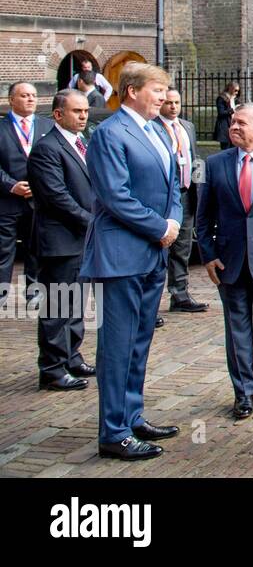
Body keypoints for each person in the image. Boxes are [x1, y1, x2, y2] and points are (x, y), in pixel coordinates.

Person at [80, 62, 182, 461]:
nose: (164, 97)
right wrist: (160, 227)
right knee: (117, 346)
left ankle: (132, 414)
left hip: (153, 252)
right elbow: (114, 196)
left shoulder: (156, 130)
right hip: (122, 254)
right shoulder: (109, 133)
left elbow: (174, 183)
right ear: (132, 91)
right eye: (157, 90)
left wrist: (172, 220)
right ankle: (113, 432)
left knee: (139, 341)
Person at [197, 103, 253, 420]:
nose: (233, 126)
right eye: (232, 121)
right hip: (229, 261)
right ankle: (243, 393)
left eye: (242, 122)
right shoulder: (215, 163)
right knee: (237, 331)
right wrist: (208, 254)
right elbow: (203, 215)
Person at [27, 89, 96, 391]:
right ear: (58, 115)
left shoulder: (83, 144)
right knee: (58, 306)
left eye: (85, 111)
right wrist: (91, 222)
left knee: (77, 302)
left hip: (80, 239)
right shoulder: (47, 149)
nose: (83, 116)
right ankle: (53, 369)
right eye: (76, 111)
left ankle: (72, 355)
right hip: (60, 240)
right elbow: (57, 197)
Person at [1, 82, 53, 305]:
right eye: (24, 95)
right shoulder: (2, 128)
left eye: (33, 95)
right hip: (6, 200)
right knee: (4, 250)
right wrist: (10, 185)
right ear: (12, 99)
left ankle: (34, 291)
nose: (31, 99)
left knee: (36, 248)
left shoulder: (48, 125)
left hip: (38, 199)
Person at [156, 89, 207, 313]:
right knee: (161, 248)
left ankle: (180, 294)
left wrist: (200, 188)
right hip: (164, 196)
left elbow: (195, 159)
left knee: (183, 246)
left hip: (186, 193)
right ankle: (151, 303)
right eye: (168, 103)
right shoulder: (154, 127)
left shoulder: (188, 127)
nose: (173, 107)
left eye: (176, 102)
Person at [214, 81, 239, 149]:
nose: (236, 93)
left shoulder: (235, 99)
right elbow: (221, 112)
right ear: (230, 89)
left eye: (238, 91)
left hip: (233, 125)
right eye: (235, 90)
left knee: (234, 147)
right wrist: (232, 110)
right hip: (225, 126)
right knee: (226, 148)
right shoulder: (221, 98)